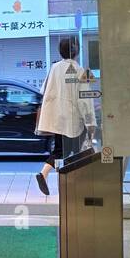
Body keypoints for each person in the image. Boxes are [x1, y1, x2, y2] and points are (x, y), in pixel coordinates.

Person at [34, 37, 92, 196]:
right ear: (77, 51)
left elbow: (42, 90)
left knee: (62, 151)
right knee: (84, 151)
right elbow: (84, 100)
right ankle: (79, 183)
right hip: (73, 119)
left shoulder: (54, 68)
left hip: (57, 118)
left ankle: (43, 174)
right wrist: (90, 120)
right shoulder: (79, 70)